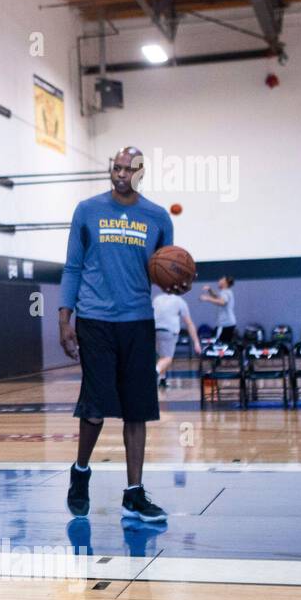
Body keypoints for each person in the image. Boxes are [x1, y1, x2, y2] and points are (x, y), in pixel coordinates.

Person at [58, 146, 188, 522]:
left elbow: (165, 272)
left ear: (141, 172)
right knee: (95, 407)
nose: (120, 174)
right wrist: (64, 318)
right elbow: (72, 267)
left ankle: (134, 493)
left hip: (137, 321)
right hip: (95, 321)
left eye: (128, 169)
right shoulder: (87, 211)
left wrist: (177, 284)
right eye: (115, 167)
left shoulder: (158, 217)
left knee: (137, 410)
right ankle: (81, 471)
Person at [153, 289, 201, 387]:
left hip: (153, 331)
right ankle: (154, 373)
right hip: (168, 331)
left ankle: (162, 379)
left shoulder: (157, 299)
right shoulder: (180, 301)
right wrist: (196, 342)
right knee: (167, 358)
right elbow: (189, 323)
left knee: (161, 357)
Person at [200, 276, 237, 344]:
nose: (219, 281)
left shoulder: (225, 292)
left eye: (221, 280)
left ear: (225, 283)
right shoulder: (226, 292)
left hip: (225, 324)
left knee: (219, 345)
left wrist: (207, 298)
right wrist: (210, 290)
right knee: (224, 345)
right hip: (228, 323)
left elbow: (222, 302)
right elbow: (217, 297)